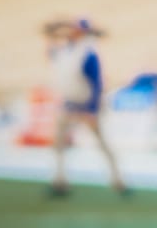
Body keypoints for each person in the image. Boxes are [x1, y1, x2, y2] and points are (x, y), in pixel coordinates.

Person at [44, 17, 127, 198]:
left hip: (85, 104)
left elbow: (96, 83)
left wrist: (92, 109)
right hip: (68, 103)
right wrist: (52, 34)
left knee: (101, 142)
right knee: (58, 143)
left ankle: (118, 180)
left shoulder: (88, 53)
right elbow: (52, 55)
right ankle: (60, 180)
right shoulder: (68, 50)